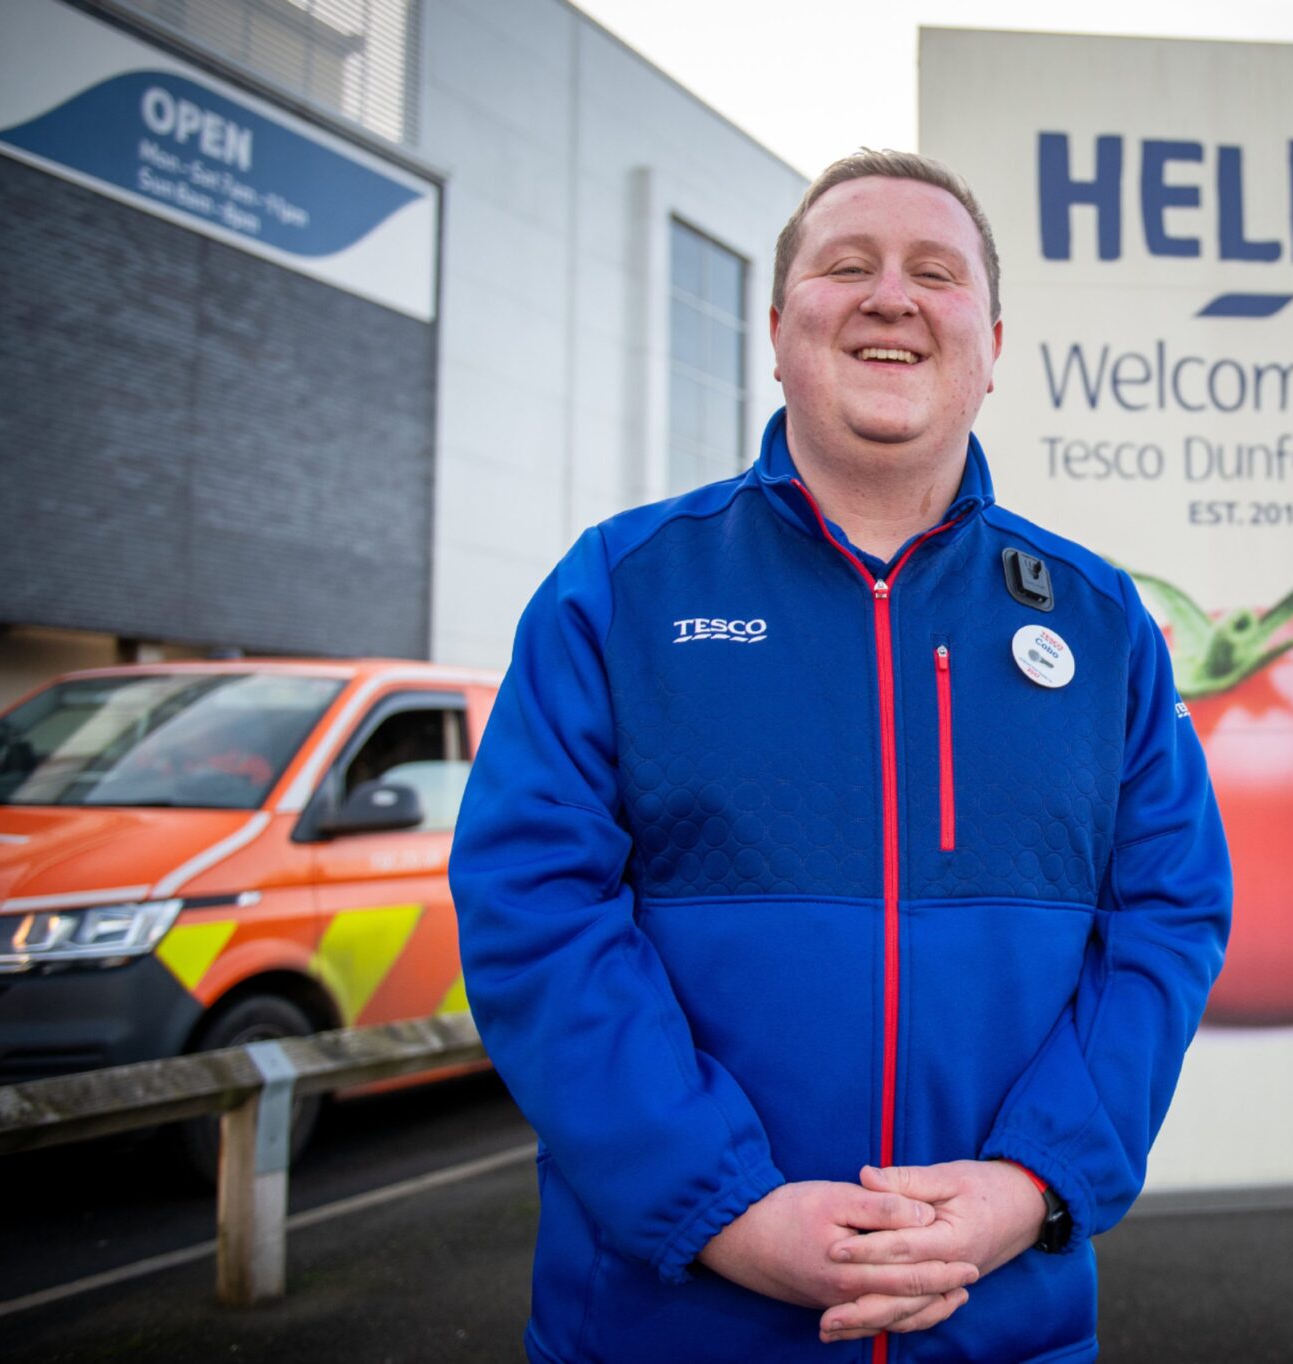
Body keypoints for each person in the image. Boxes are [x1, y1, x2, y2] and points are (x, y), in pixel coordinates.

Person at [450, 149, 1231, 1363]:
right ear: (776, 328)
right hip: (668, 1328)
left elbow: (1166, 920)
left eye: (935, 272)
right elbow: (533, 911)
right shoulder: (621, 589)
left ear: (993, 342)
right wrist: (725, 1209)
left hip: (1001, 1327)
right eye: (846, 264)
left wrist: (1028, 1183)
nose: (890, 296)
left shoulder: (1099, 621)